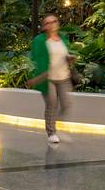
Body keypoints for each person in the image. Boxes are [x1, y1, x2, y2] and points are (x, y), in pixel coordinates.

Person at [27, 13, 73, 143]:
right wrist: (36, 77)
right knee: (51, 104)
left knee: (66, 104)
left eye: (54, 21)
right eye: (48, 22)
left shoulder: (63, 38)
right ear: (44, 27)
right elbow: (35, 58)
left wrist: (69, 58)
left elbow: (65, 54)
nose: (52, 24)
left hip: (64, 76)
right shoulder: (40, 40)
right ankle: (51, 132)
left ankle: (54, 124)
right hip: (47, 78)